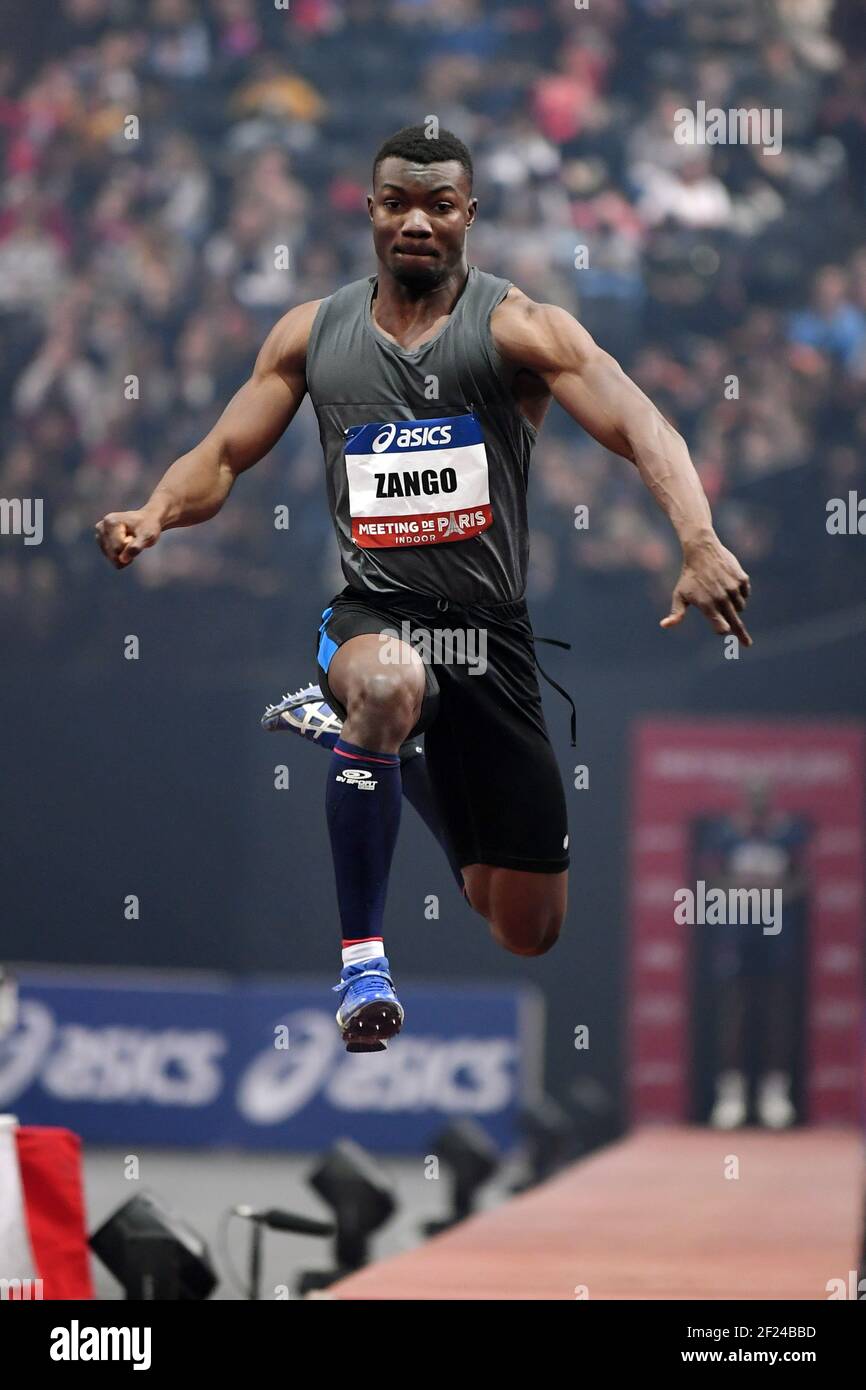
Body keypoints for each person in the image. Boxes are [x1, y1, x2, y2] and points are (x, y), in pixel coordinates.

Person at [96, 126, 752, 1052]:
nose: (416, 221)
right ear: (369, 211)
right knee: (392, 683)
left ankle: (390, 754)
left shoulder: (518, 329)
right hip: (372, 616)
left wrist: (698, 537)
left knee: (524, 925)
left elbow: (643, 423)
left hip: (490, 640)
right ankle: (363, 957)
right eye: (396, 203)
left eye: (438, 206)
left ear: (468, 217)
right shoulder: (311, 334)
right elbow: (221, 456)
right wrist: (156, 512)